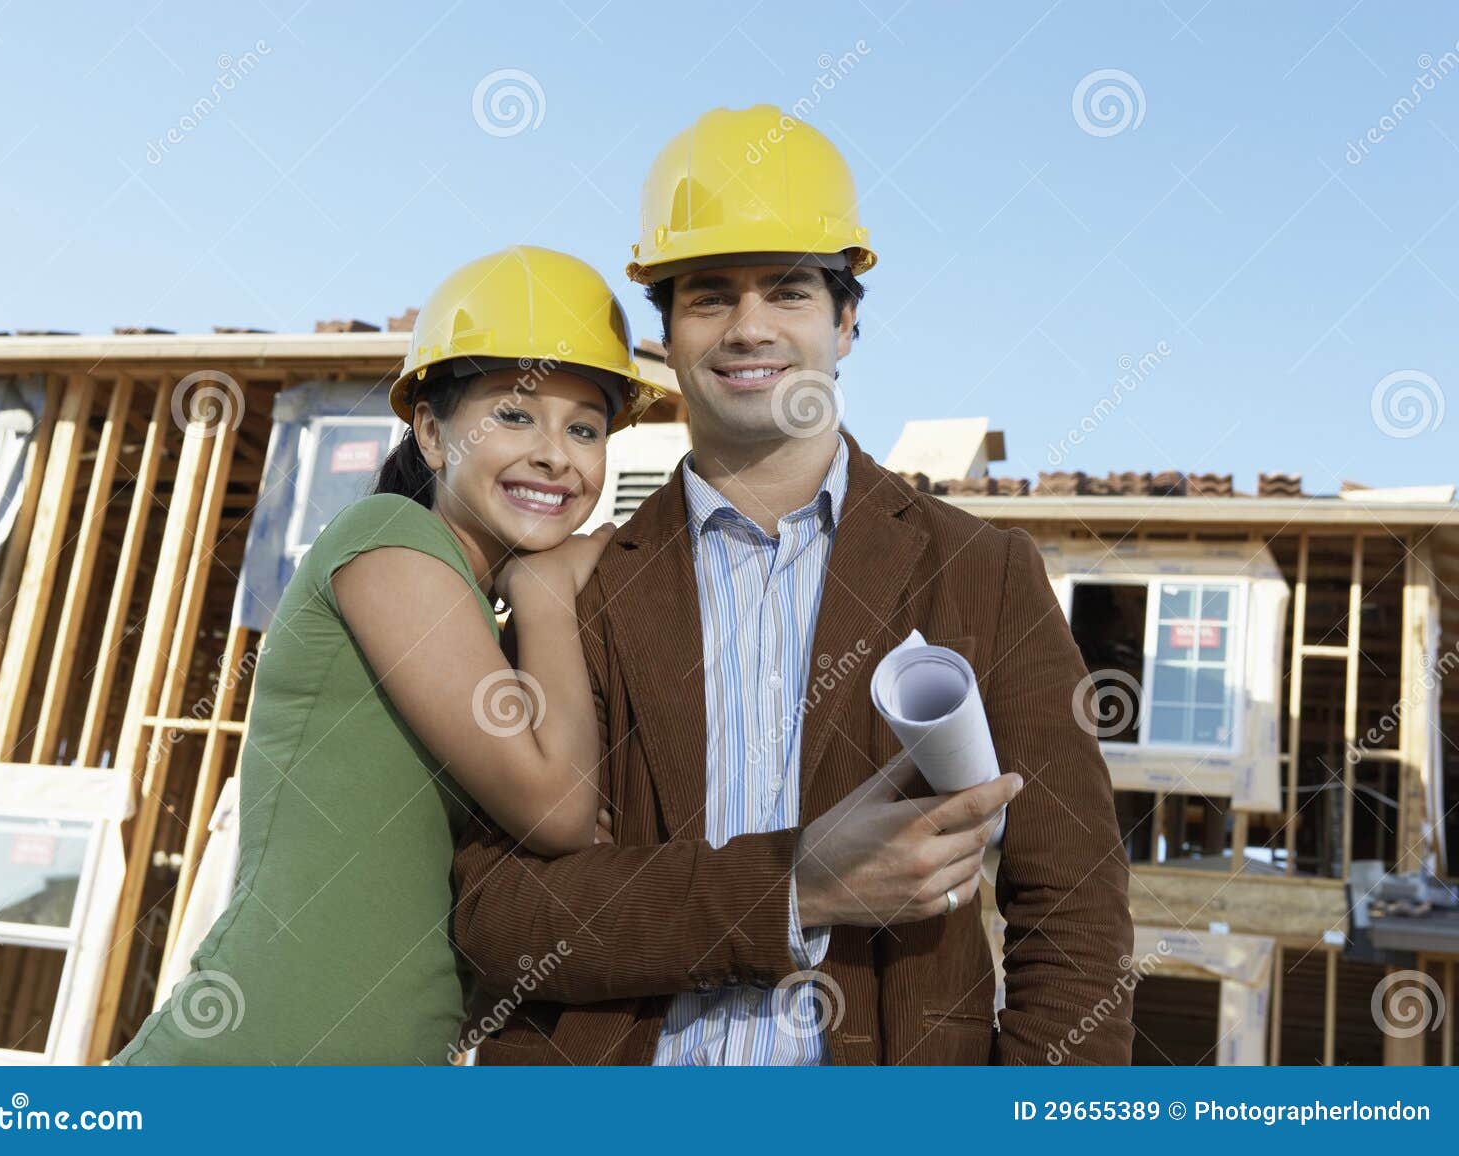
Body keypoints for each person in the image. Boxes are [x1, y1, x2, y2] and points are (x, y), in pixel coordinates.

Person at [452, 106, 1136, 1065]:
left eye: (788, 291)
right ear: (670, 332)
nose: (748, 328)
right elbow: (499, 917)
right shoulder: (576, 590)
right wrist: (794, 884)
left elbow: (1075, 919)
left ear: (847, 321)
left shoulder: (982, 575)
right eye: (708, 296)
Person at [111, 245, 665, 1065]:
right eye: (514, 415)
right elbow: (558, 809)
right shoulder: (386, 538)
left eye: (585, 428)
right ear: (434, 433)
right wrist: (549, 597)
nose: (557, 453)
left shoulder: (482, 625)